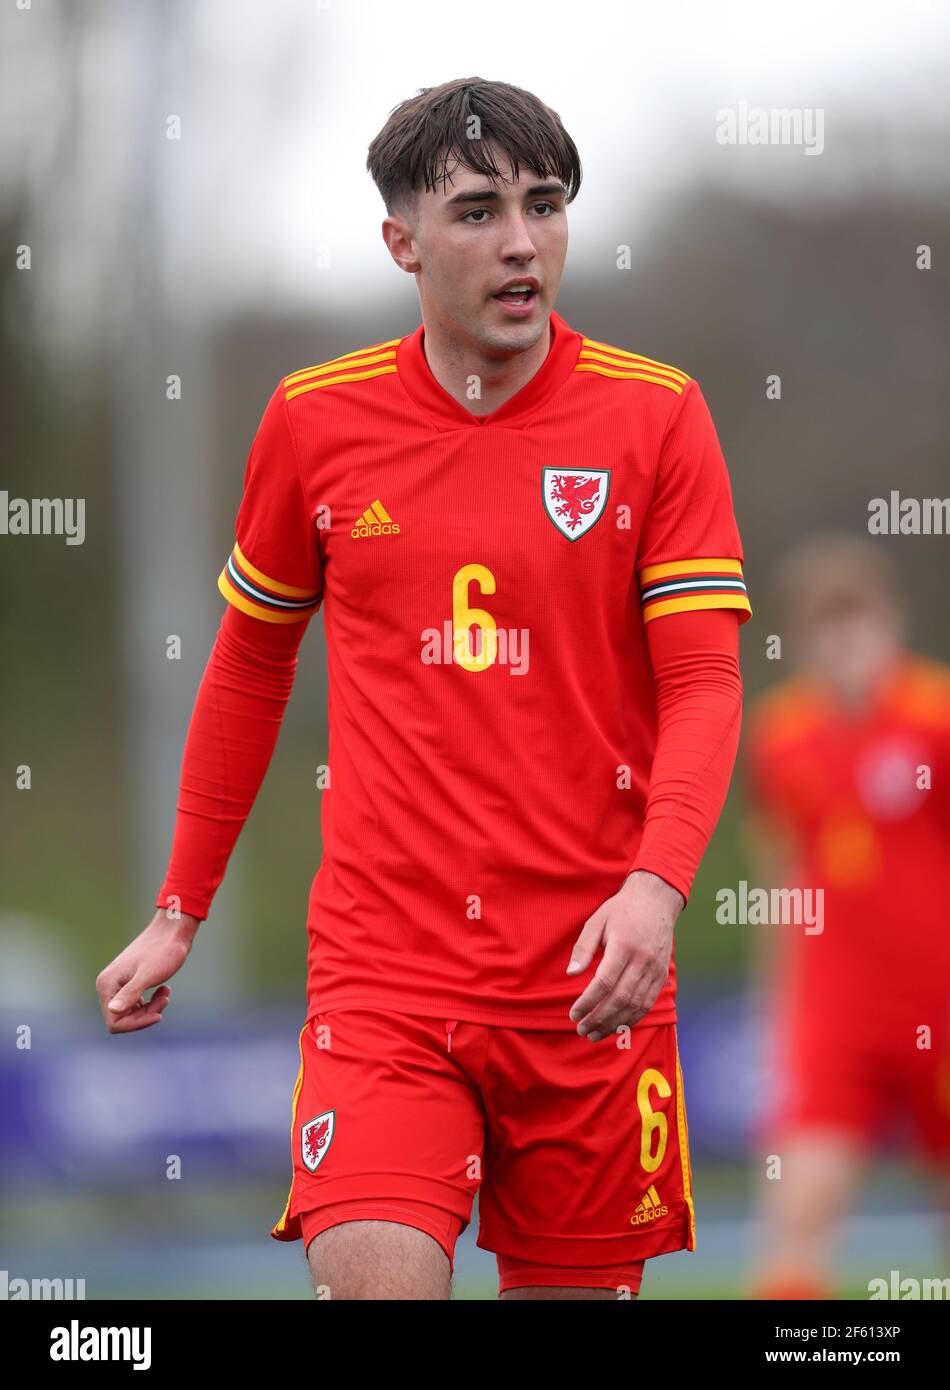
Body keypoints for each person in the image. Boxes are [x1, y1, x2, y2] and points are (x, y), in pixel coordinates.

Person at [96, 76, 751, 1300]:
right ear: (400, 240)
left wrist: (656, 886)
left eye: (544, 205)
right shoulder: (312, 421)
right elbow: (246, 663)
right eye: (476, 209)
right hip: (384, 975)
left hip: (590, 984)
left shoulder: (655, 418)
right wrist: (182, 903)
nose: (519, 241)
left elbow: (706, 680)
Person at [745, 536, 950, 1300]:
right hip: (838, 1015)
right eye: (824, 628)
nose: (843, 644)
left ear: (891, 621)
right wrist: (780, 1013)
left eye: (856, 622)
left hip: (940, 1002)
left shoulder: (936, 714)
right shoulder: (781, 733)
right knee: (799, 1211)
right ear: (800, 640)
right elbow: (778, 882)